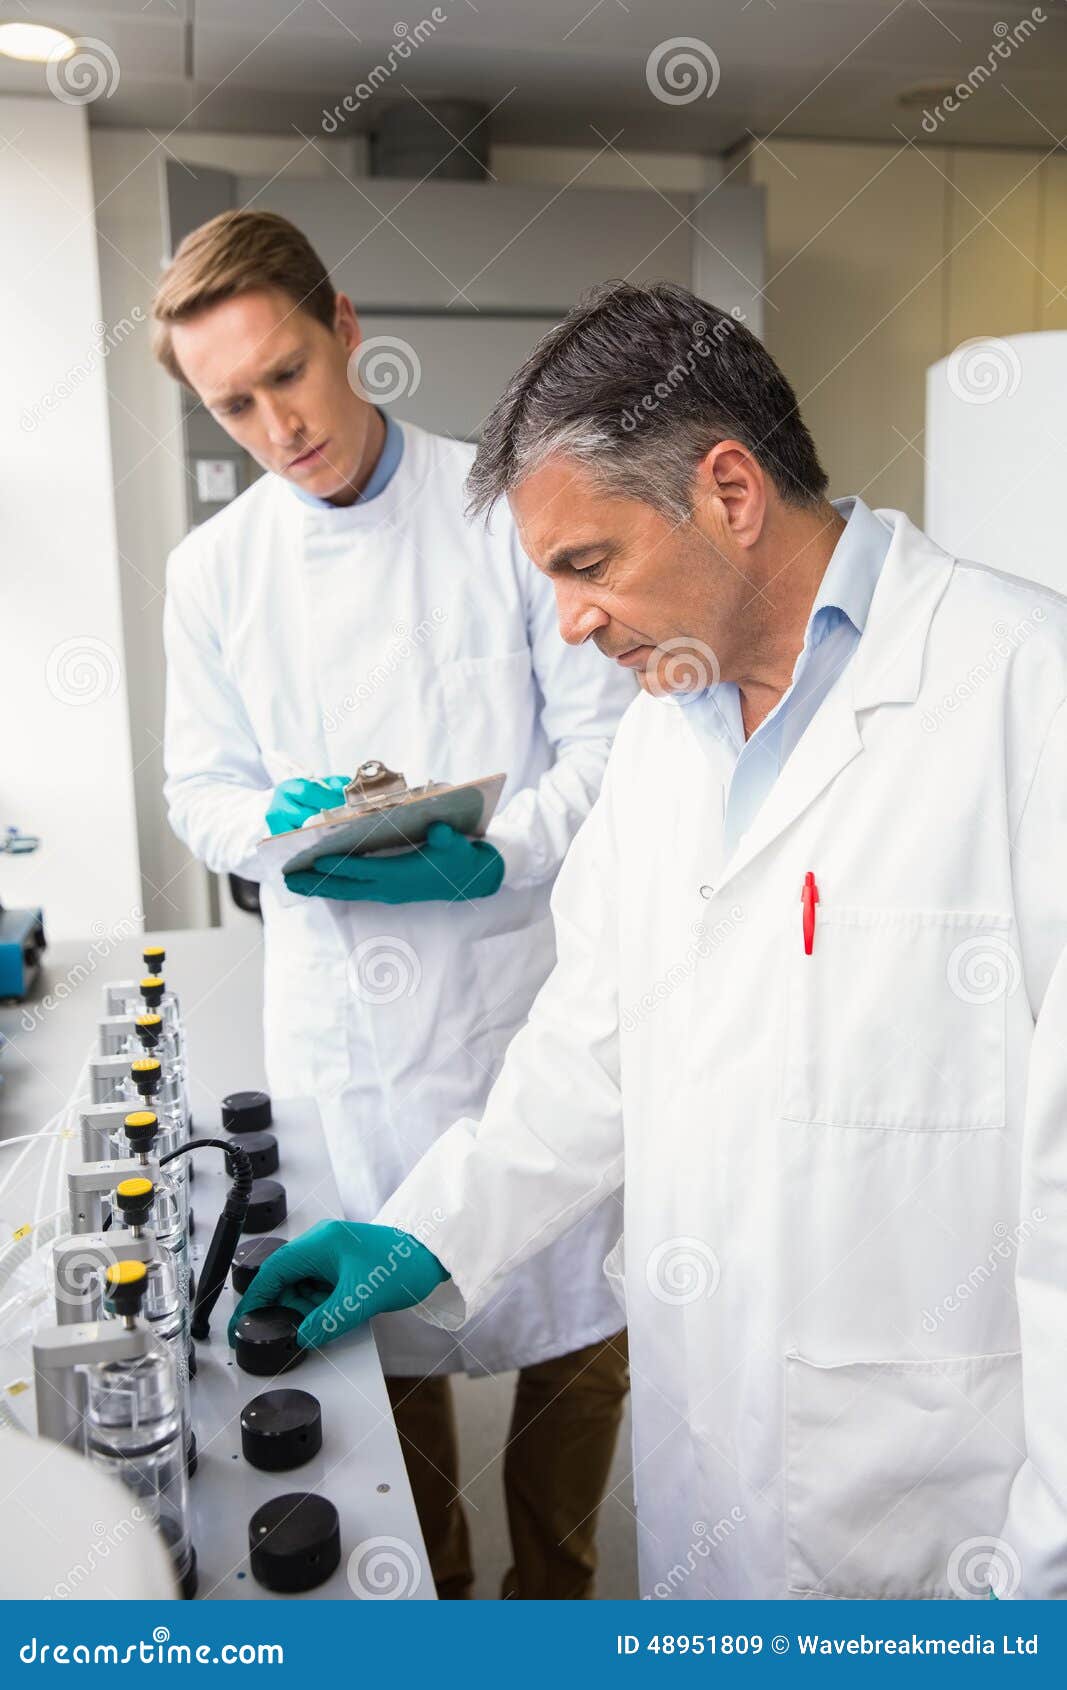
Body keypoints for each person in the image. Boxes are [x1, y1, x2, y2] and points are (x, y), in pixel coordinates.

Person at [233, 277, 1067, 1603]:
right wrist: (432, 1227)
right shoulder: (666, 740)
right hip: (707, 1495)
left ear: (730, 493)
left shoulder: (1029, 700)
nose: (568, 621)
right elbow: (595, 1046)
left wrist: (1043, 1587)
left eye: (587, 564)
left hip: (938, 1532)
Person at [153, 213, 635, 1600]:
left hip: (518, 1003)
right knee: (377, 1345)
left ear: (347, 325)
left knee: (569, 1323)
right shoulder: (215, 573)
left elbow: (610, 746)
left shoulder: (504, 517)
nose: (275, 423)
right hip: (349, 1038)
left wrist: (503, 849)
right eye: (231, 403)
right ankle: (428, 1598)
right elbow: (201, 783)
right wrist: (282, 832)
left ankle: (553, 1593)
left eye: (288, 373)